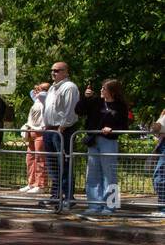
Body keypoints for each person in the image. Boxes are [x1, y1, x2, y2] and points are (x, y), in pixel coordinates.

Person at [78, 78, 131, 218]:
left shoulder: (120, 106)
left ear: (112, 91)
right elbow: (79, 110)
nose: (101, 90)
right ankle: (94, 204)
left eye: (104, 88)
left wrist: (112, 129)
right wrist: (85, 97)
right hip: (93, 141)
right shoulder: (95, 102)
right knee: (92, 173)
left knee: (110, 174)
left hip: (109, 141)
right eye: (101, 88)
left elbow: (124, 126)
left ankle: (110, 205)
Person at [42, 61, 80, 209]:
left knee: (64, 164)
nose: (53, 73)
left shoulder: (69, 87)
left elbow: (71, 110)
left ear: (66, 72)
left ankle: (68, 197)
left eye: (57, 70)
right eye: (52, 70)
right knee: (53, 165)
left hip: (62, 130)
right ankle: (55, 195)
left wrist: (62, 127)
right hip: (50, 130)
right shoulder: (52, 88)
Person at [20, 82, 49, 193]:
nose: (38, 90)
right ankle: (31, 183)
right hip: (31, 131)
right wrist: (36, 89)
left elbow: (42, 95)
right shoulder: (36, 100)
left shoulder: (46, 99)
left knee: (40, 159)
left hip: (40, 132)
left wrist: (41, 90)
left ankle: (41, 185)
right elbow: (31, 92)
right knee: (30, 159)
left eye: (42, 89)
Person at [150, 108, 165, 218]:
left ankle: (163, 209)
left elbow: (157, 128)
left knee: (159, 178)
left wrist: (155, 126)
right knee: (159, 177)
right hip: (162, 145)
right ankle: (162, 208)